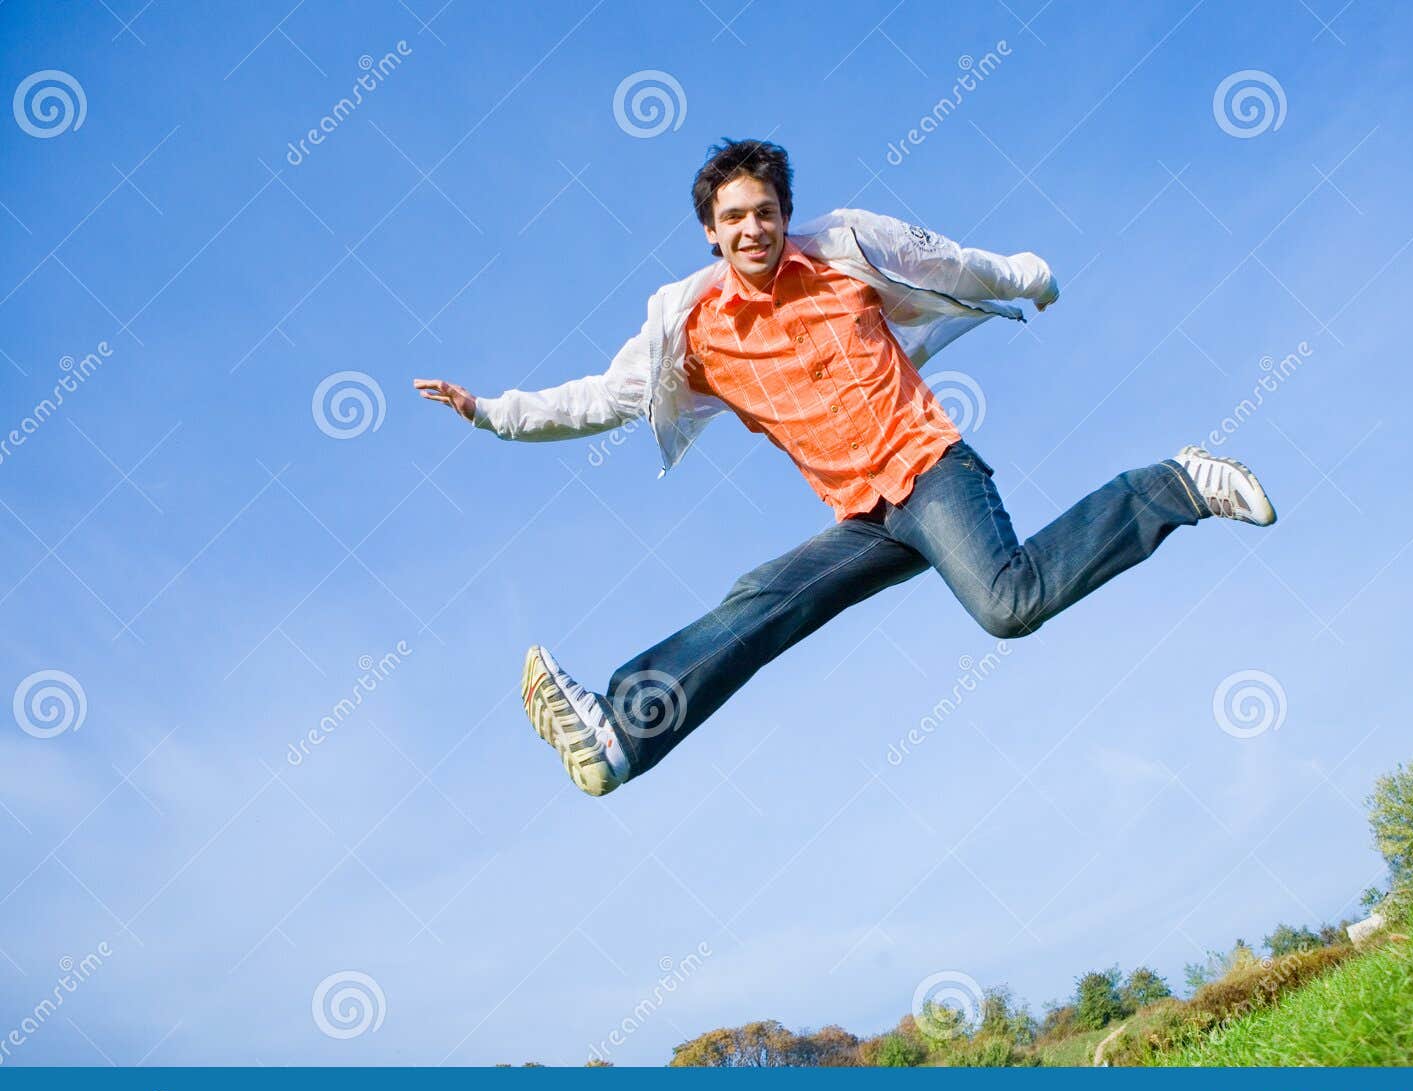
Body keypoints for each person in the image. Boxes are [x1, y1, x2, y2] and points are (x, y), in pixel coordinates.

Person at [415, 138, 1276, 799]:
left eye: (765, 211)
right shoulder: (694, 330)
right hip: (863, 517)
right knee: (766, 600)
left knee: (1009, 604)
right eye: (733, 218)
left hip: (931, 469)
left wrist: (1026, 276)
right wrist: (496, 414)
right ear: (710, 232)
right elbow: (603, 398)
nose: (751, 229)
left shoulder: (845, 254)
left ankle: (1176, 483)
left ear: (785, 213)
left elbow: (953, 266)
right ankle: (624, 728)